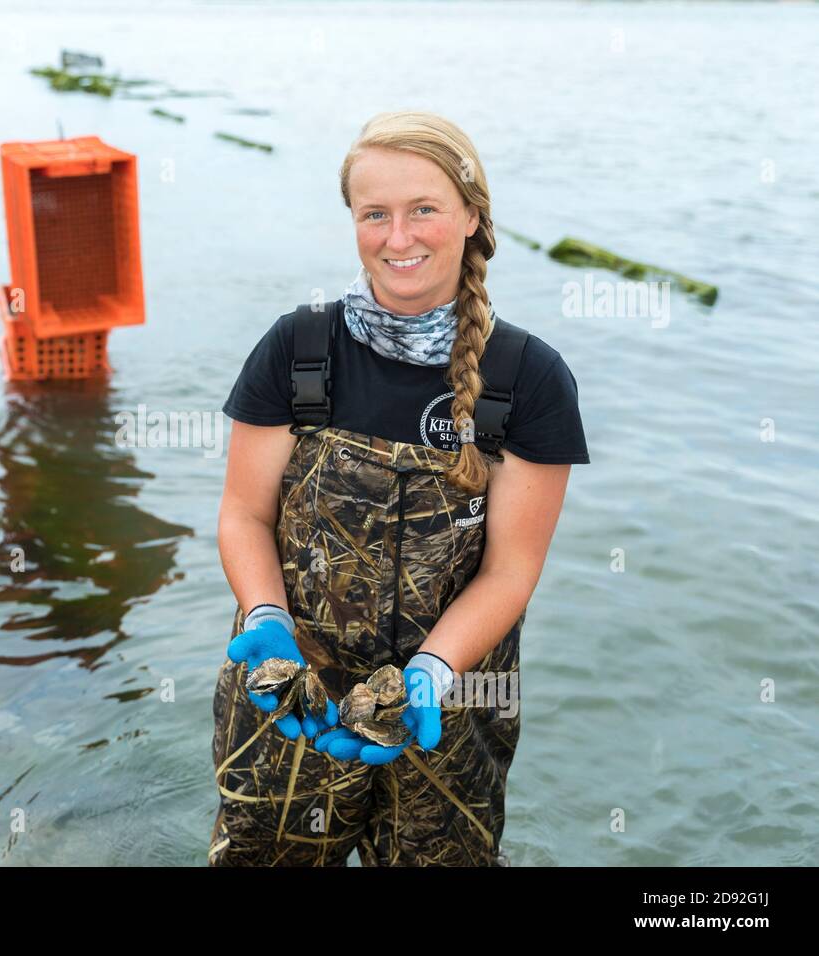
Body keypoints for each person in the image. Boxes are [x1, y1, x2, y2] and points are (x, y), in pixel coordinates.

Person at [208, 111, 590, 867]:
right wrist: (265, 619)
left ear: (472, 216)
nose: (398, 237)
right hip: (287, 696)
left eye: (425, 210)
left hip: (452, 705)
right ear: (352, 220)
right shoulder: (299, 349)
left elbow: (511, 571)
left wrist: (431, 673)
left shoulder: (527, 379)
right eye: (374, 214)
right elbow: (244, 514)